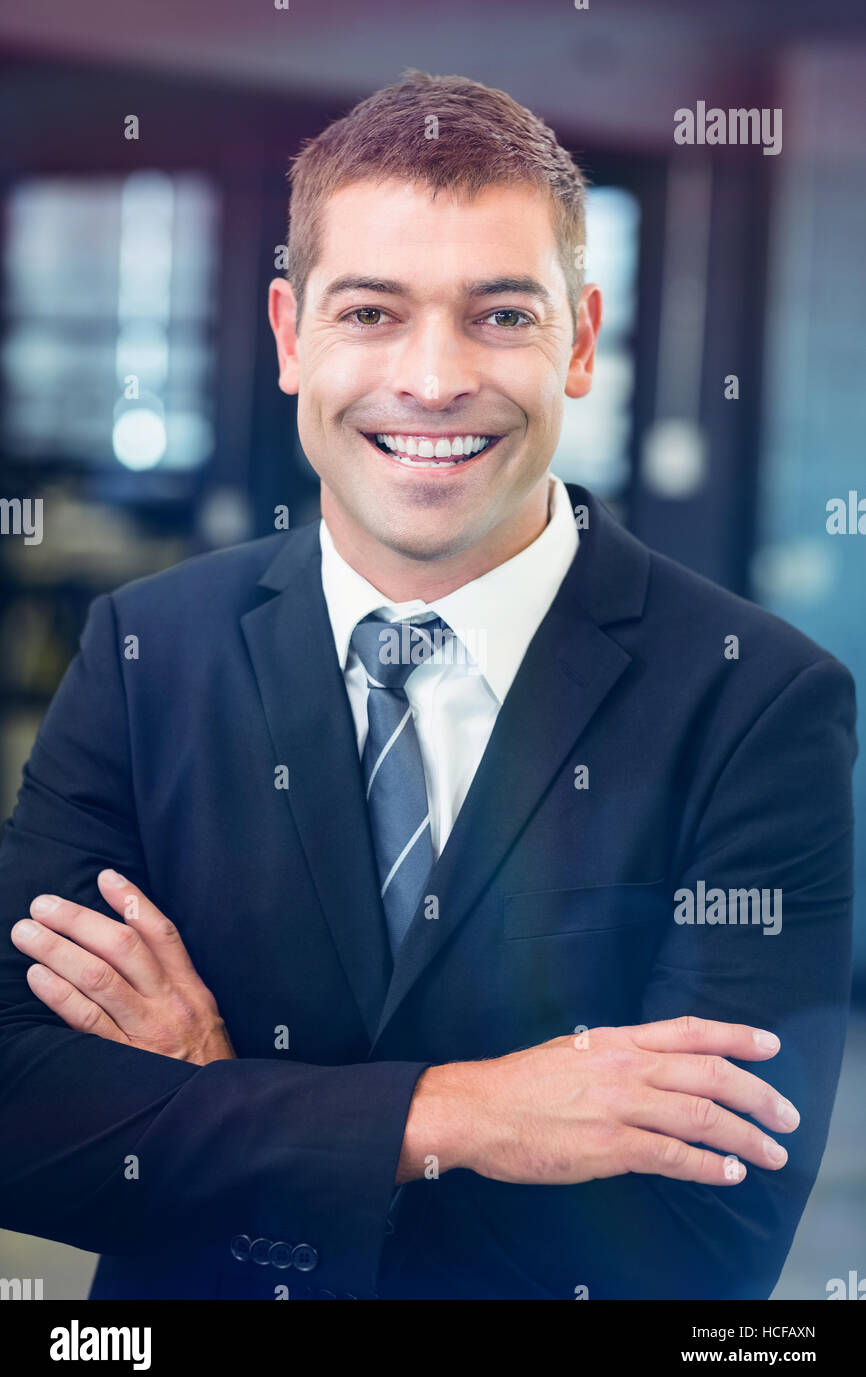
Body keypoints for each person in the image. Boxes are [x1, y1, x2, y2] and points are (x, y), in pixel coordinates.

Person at [0, 71, 855, 1301]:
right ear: (294, 337)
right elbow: (23, 1122)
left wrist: (210, 1091)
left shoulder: (758, 703)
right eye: (372, 312)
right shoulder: (147, 651)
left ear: (580, 339)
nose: (434, 377)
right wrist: (462, 1115)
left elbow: (692, 1247)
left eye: (501, 314)